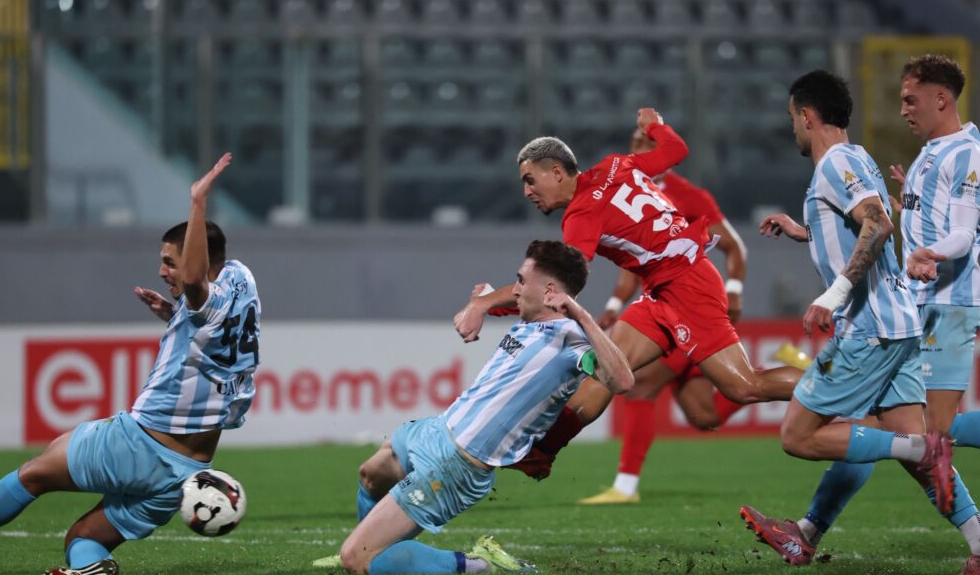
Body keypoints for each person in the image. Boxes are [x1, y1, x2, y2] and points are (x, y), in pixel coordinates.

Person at [454, 108, 802, 482]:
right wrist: (654, 125)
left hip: (688, 286)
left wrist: (486, 303)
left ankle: (838, 390)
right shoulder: (616, 165)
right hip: (662, 289)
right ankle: (541, 453)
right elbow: (676, 151)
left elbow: (555, 284)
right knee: (604, 371)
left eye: (529, 179)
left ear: (556, 171)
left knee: (743, 387)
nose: (526, 191)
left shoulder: (581, 216)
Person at [742, 59, 980, 574]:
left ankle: (921, 445)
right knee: (912, 454)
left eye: (792, 118)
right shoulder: (859, 159)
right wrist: (804, 228)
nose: (793, 129)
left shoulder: (835, 163)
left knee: (798, 436)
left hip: (870, 326)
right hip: (899, 324)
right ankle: (979, 541)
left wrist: (835, 292)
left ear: (807, 115)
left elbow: (875, 225)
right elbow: (873, 218)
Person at [0, 153, 262, 575]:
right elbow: (214, 335)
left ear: (199, 260)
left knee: (34, 473)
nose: (163, 270)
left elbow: (195, 283)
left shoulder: (206, 295)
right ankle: (91, 570)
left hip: (140, 447)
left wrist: (198, 201)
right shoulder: (242, 280)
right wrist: (176, 317)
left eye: (170, 260)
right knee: (85, 538)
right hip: (184, 476)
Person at [315, 240, 633, 574]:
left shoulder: (572, 339)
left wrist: (579, 312)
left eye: (523, 281)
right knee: (371, 474)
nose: (517, 289)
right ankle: (375, 547)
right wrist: (482, 302)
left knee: (357, 559)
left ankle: (482, 566)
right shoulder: (532, 319)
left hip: (458, 465)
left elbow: (622, 381)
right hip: (438, 430)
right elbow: (513, 304)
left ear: (551, 291)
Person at [581, 127, 751, 504]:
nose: (638, 149)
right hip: (659, 303)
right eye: (634, 143)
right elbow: (632, 266)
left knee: (640, 385)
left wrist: (735, 293)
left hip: (689, 305)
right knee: (703, 416)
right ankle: (794, 372)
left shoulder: (690, 195)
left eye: (646, 144)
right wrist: (612, 307)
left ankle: (625, 486)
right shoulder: (627, 188)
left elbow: (735, 248)